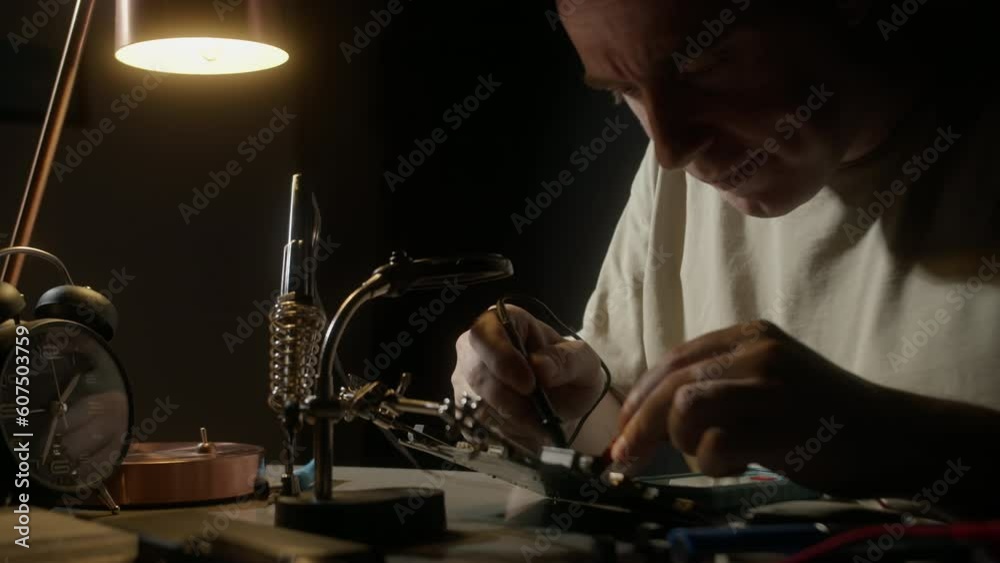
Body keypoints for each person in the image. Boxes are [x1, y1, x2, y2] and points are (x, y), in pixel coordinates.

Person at [451, 0, 999, 515]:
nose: (671, 149)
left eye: (700, 62)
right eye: (625, 92)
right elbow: (619, 423)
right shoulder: (688, 167)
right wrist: (564, 402)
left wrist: (891, 439)